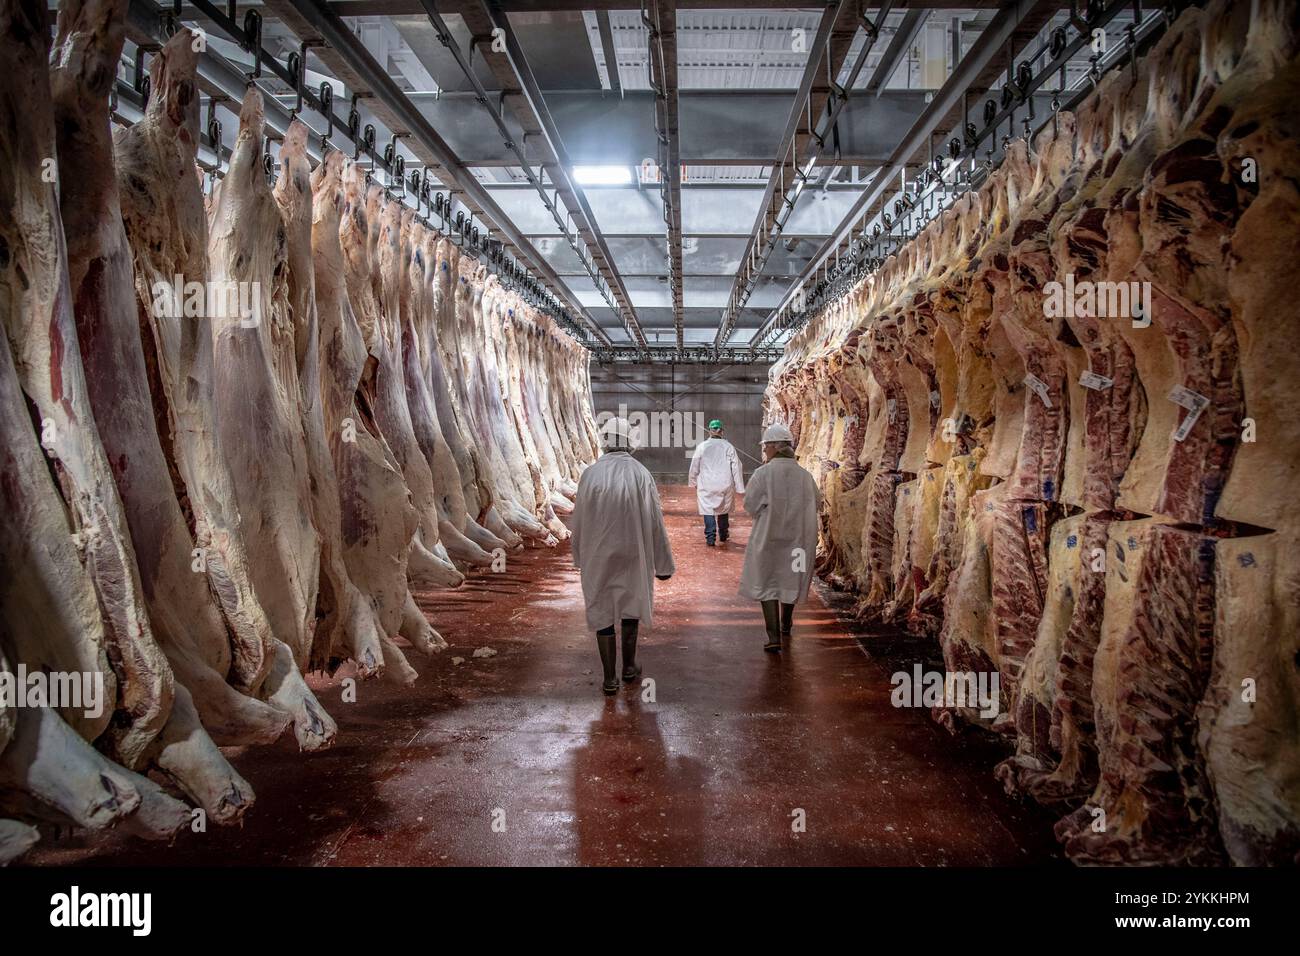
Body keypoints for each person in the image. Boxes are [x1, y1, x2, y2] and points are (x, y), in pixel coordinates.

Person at [571, 417, 675, 694]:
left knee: (602, 609)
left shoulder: (590, 474)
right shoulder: (641, 473)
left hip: (598, 554)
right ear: (629, 440)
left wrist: (578, 555)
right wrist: (663, 564)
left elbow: (578, 519)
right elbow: (655, 521)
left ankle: (609, 678)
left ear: (604, 441)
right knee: (631, 605)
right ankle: (629, 666)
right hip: (633, 553)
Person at [738, 422, 819, 653]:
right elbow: (819, 503)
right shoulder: (805, 476)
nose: (764, 451)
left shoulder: (763, 473)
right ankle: (786, 623)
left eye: (766, 447)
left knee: (768, 584)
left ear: (774, 447)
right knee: (790, 580)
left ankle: (773, 636)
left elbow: (750, 505)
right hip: (799, 543)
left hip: (769, 540)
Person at [688, 418, 745, 546]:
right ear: (722, 432)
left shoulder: (702, 446)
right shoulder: (728, 447)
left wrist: (692, 482)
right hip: (724, 484)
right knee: (723, 509)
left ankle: (710, 537)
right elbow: (737, 466)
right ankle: (723, 535)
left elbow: (694, 465)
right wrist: (739, 487)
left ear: (709, 431)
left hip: (706, 484)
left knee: (708, 510)